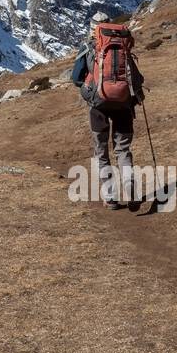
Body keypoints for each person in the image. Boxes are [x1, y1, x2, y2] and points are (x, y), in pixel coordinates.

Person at [71, 11, 145, 209]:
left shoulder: (88, 46)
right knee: (122, 149)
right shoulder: (123, 45)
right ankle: (129, 183)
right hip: (123, 104)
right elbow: (138, 78)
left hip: (98, 105)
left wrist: (90, 89)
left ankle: (110, 196)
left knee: (101, 151)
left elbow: (76, 77)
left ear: (93, 28)